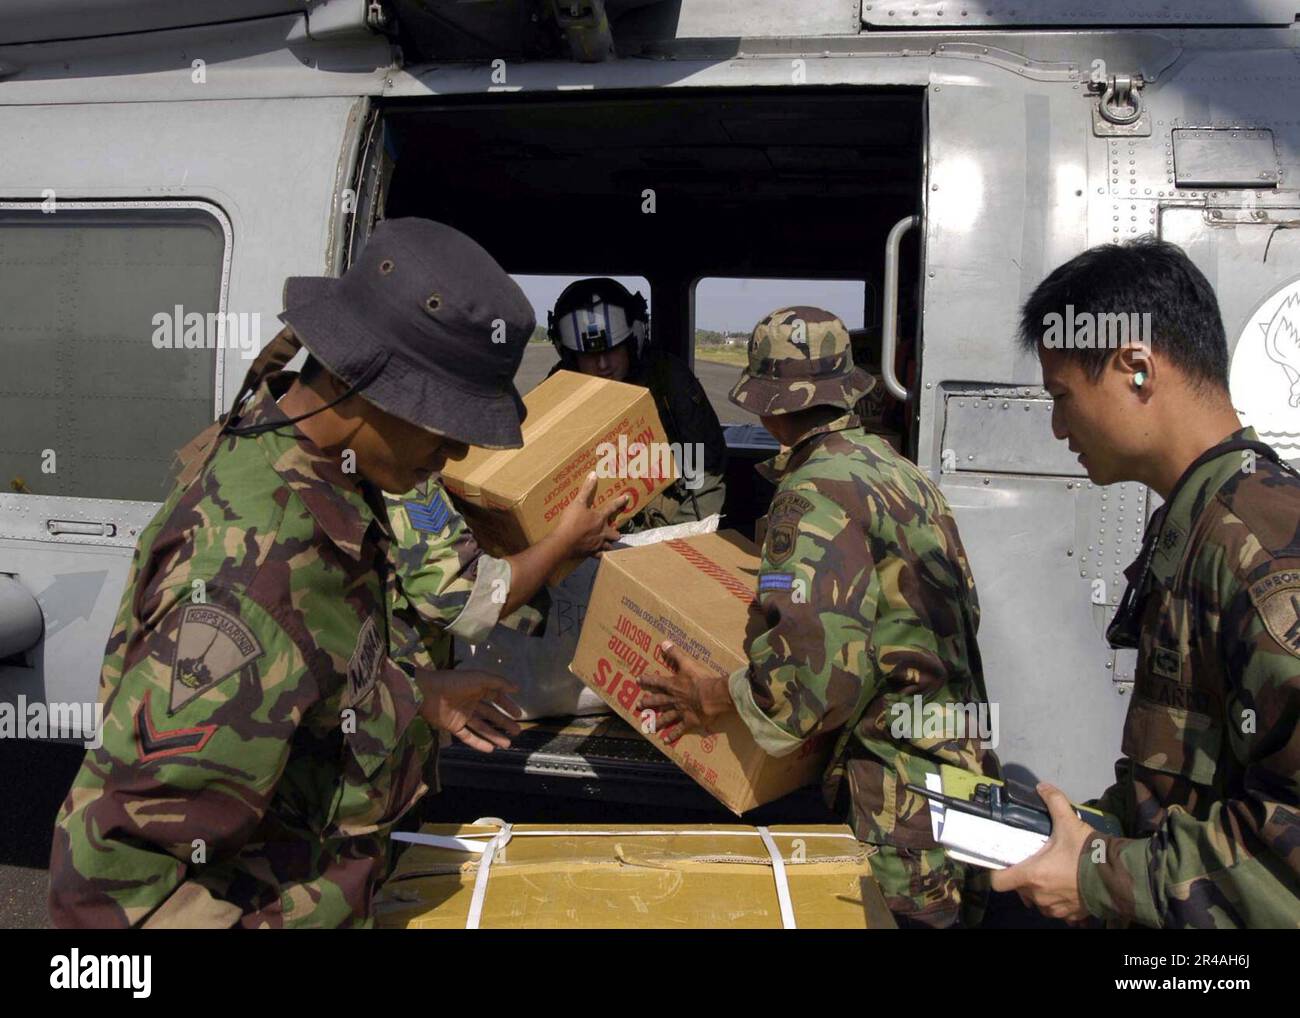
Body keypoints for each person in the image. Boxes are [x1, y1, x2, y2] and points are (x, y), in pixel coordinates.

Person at [48, 218, 622, 928]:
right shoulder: (253, 570)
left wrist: (413, 698)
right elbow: (111, 890)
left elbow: (306, 683)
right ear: (369, 387)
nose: (450, 454)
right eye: (441, 422)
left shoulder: (308, 467)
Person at [638, 306, 997, 928]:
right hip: (956, 774)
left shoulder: (814, 493)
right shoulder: (901, 474)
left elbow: (813, 678)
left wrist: (714, 696)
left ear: (768, 408)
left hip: (897, 800)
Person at [990, 237, 1300, 928]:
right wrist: (1080, 834)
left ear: (1135, 368)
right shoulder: (1193, 524)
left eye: (1064, 396)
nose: (1057, 424)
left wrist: (1101, 878)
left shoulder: (1258, 548)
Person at [547, 277, 728, 528]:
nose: (602, 365)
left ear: (632, 343)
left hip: (665, 523)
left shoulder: (668, 382)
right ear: (569, 356)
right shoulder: (557, 392)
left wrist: (677, 542)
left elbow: (705, 477)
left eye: (612, 350)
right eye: (589, 355)